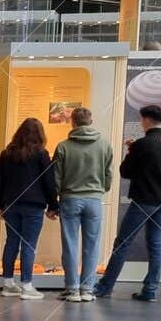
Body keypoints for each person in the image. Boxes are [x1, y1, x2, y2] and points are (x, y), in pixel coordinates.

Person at [93, 105, 161, 302]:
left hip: (144, 199)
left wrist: (131, 150)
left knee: (123, 243)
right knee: (156, 244)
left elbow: (126, 172)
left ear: (146, 120)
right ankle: (150, 290)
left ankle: (105, 287)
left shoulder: (142, 144)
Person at [52, 106, 112, 302]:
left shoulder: (63, 146)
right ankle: (87, 289)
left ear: (73, 122)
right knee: (92, 245)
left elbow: (56, 177)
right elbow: (108, 175)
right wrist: (100, 189)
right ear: (91, 122)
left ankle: (72, 289)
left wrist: (55, 199)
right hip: (94, 200)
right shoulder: (104, 145)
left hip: (69, 199)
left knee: (70, 244)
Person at [0, 117, 57, 299]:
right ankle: (27, 286)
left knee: (11, 242)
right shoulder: (41, 154)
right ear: (40, 134)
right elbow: (48, 182)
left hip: (11, 204)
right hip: (33, 205)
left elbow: (0, 181)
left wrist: (0, 205)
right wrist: (54, 205)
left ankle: (8, 284)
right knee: (29, 244)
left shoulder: (6, 154)